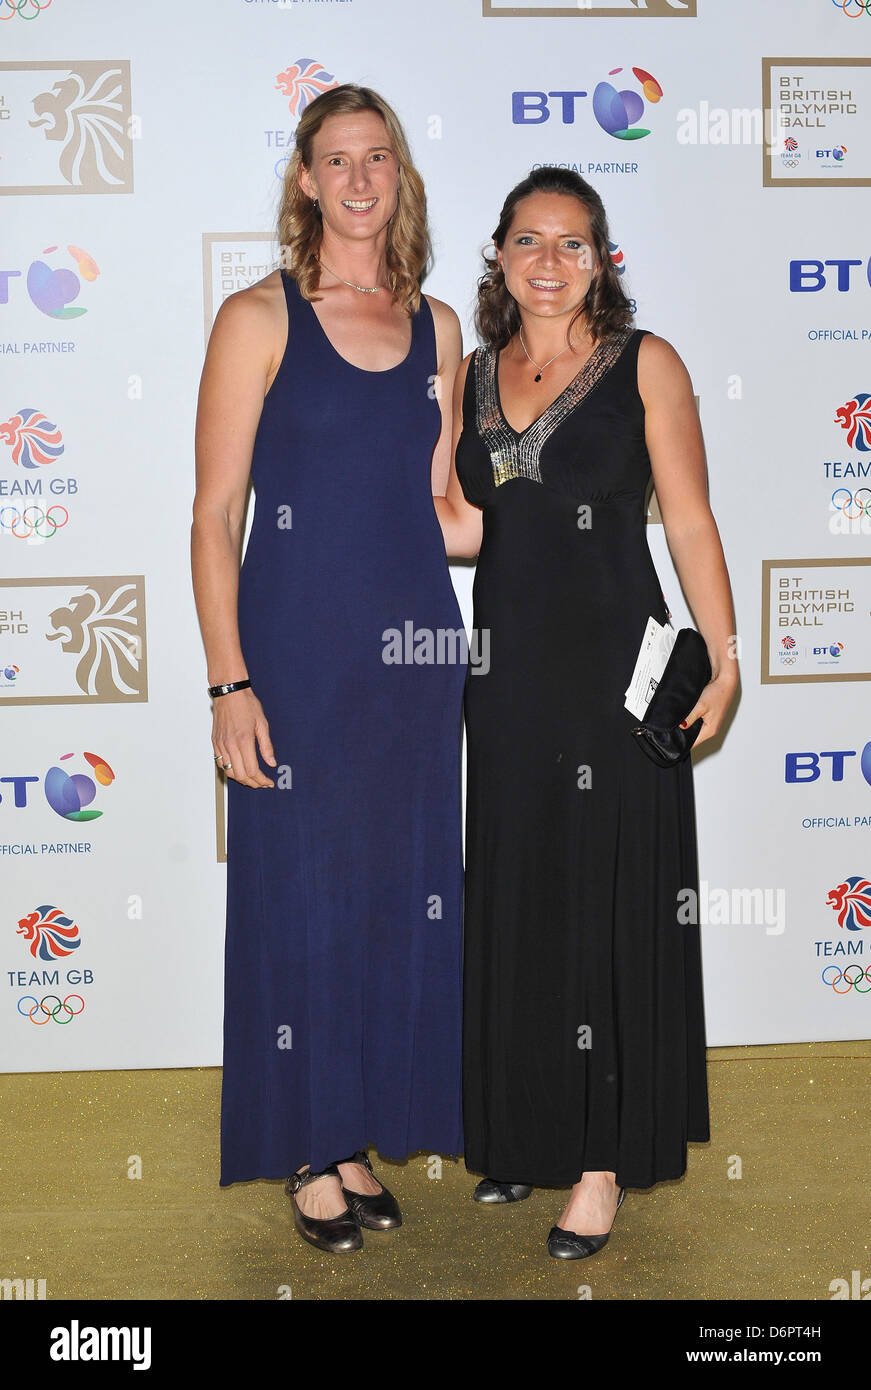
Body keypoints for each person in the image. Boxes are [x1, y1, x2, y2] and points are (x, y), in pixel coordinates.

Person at [434, 167, 737, 1260]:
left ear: (601, 259)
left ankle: (601, 1159)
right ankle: (522, 1130)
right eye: (529, 240)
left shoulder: (647, 364)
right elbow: (463, 525)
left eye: (573, 242)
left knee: (606, 905)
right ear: (500, 256)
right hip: (507, 680)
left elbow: (690, 520)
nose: (549, 261)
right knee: (519, 895)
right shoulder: (469, 373)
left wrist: (728, 655)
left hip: (615, 675)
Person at [191, 84, 466, 1253]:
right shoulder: (256, 319)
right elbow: (212, 517)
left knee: (387, 902)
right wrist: (228, 682)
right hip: (295, 659)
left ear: (399, 173)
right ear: (305, 180)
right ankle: (306, 1148)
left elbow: (447, 510)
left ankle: (353, 1133)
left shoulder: (441, 326)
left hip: (413, 661)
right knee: (297, 897)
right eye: (336, 159)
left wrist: (568, 521)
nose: (359, 179)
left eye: (377, 157)